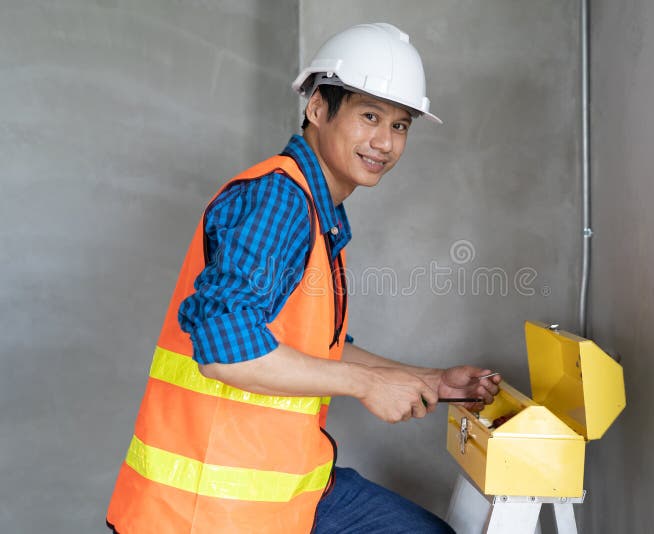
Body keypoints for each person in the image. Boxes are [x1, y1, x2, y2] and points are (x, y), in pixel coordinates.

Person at [106, 22, 501, 533]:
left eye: (401, 125)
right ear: (317, 108)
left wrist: (427, 380)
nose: (384, 141)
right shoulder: (280, 200)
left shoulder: (316, 211)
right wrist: (367, 384)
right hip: (206, 509)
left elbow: (314, 345)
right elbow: (226, 347)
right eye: (369, 116)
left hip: (284, 483)